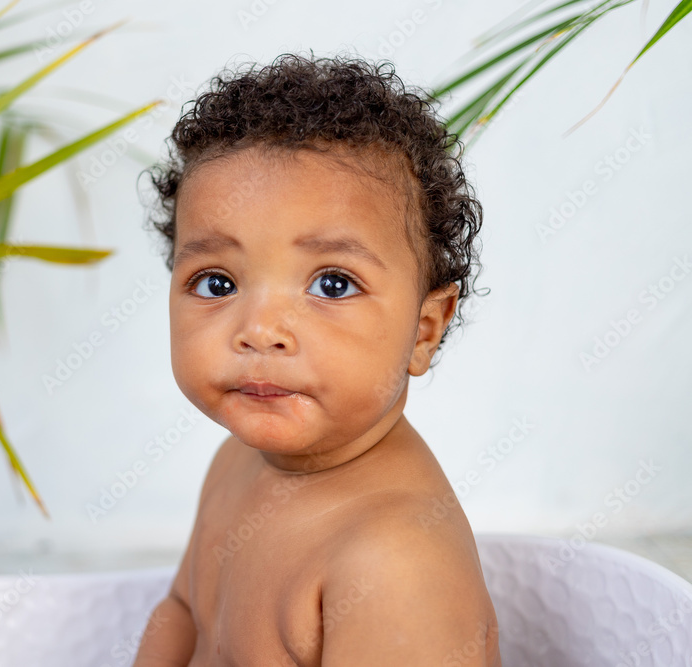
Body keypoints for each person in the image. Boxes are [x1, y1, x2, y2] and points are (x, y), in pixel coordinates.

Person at [132, 51, 501, 666]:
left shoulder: (393, 560)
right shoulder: (234, 465)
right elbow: (181, 613)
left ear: (424, 330)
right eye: (217, 283)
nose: (260, 331)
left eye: (332, 284)